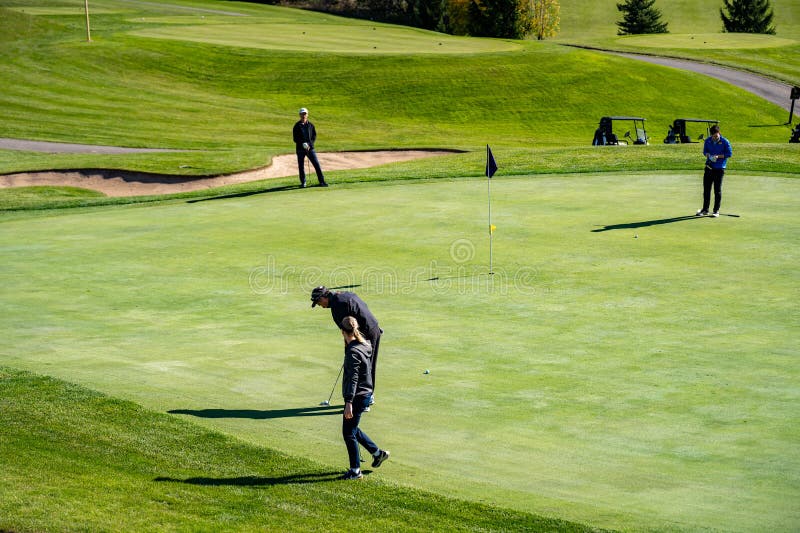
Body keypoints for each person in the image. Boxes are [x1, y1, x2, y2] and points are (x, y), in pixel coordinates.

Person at [311, 286, 382, 406]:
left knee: (365, 365)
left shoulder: (338, 305)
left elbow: (348, 329)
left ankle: (366, 399)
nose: (320, 305)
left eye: (318, 302)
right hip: (371, 329)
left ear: (324, 297)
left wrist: (350, 348)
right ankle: (363, 397)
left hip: (367, 332)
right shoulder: (341, 296)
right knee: (365, 364)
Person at [339, 316, 390, 480]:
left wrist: (348, 402)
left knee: (348, 433)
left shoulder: (353, 352)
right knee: (353, 429)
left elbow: (353, 378)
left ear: (343, 332)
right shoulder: (364, 344)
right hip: (366, 393)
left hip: (358, 396)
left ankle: (355, 471)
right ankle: (377, 453)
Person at [696, 124, 732, 218]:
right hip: (709, 167)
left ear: (719, 133)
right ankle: (705, 210)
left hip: (719, 169)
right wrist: (708, 155)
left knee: (717, 190)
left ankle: (716, 211)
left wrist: (718, 156)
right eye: (713, 136)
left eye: (716, 136)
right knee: (706, 190)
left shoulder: (725, 141)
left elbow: (729, 154)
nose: (715, 138)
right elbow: (705, 152)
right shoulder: (708, 141)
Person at [292, 107, 328, 188]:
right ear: (299, 115)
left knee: (316, 164)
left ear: (307, 115)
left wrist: (309, 144)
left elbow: (313, 137)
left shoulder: (311, 125)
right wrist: (303, 144)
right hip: (300, 149)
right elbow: (295, 138)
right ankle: (303, 182)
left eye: (305, 114)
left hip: (310, 149)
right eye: (302, 114)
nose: (303, 115)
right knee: (301, 166)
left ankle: (322, 181)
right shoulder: (296, 126)